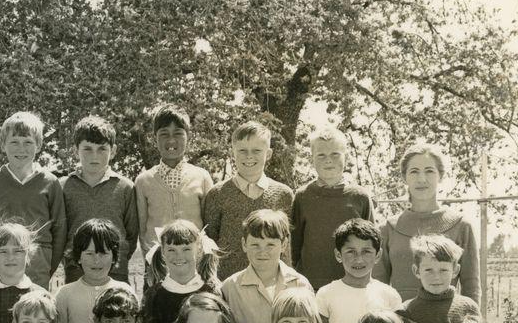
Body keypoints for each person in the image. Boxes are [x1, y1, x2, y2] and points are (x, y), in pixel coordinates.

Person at [376, 142, 480, 301]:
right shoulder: (388, 228)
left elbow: (471, 288)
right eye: (414, 172)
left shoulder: (461, 226)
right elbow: (378, 289)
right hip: (399, 322)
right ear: (404, 177)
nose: (421, 179)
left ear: (441, 175)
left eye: (429, 171)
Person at [0, 111, 67, 288]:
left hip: (38, 269)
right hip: (1, 268)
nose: (21, 149)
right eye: (14, 142)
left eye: (28, 142)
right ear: (3, 145)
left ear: (39, 145)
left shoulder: (50, 182)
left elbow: (60, 230)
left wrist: (47, 266)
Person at [203, 121, 295, 279]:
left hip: (273, 284)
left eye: (257, 150)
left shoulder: (284, 194)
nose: (249, 156)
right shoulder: (217, 194)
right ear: (233, 153)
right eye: (242, 150)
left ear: (269, 154)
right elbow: (209, 244)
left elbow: (287, 246)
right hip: (228, 285)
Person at [290, 126, 375, 291]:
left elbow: (372, 245)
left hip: (352, 285)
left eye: (335, 154)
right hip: (310, 287)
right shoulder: (302, 197)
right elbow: (293, 247)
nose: (328, 160)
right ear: (312, 159)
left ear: (346, 157)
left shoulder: (360, 197)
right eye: (321, 155)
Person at [219, 209, 312, 323]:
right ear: (244, 244)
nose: (263, 251)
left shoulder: (300, 284)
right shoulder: (230, 287)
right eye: (255, 244)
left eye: (270, 244)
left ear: (284, 244)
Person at [135, 103, 213, 276]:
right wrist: (154, 266)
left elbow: (210, 227)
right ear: (154, 138)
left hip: (196, 267)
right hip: (159, 268)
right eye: (164, 134)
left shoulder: (202, 177)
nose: (171, 140)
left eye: (178, 133)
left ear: (188, 137)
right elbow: (142, 231)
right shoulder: (143, 181)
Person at [60, 115, 138, 284]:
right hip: (76, 272)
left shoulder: (125, 187)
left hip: (115, 272)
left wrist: (114, 259)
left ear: (114, 151)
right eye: (87, 149)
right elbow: (59, 233)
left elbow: (131, 236)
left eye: (102, 149)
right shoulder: (63, 187)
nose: (94, 156)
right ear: (75, 151)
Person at [315, 218, 402, 323]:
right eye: (351, 252)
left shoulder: (389, 295)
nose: (359, 259)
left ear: (378, 255)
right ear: (338, 255)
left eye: (366, 251)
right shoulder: (326, 293)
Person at [136, 219, 221, 323]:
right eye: (171, 250)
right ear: (163, 252)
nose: (179, 256)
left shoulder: (212, 293)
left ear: (199, 250)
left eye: (186, 249)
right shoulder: (154, 296)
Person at [53, 219, 135, 323]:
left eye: (103, 253)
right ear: (78, 257)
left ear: (114, 257)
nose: (96, 260)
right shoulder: (65, 293)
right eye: (89, 253)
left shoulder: (125, 291)